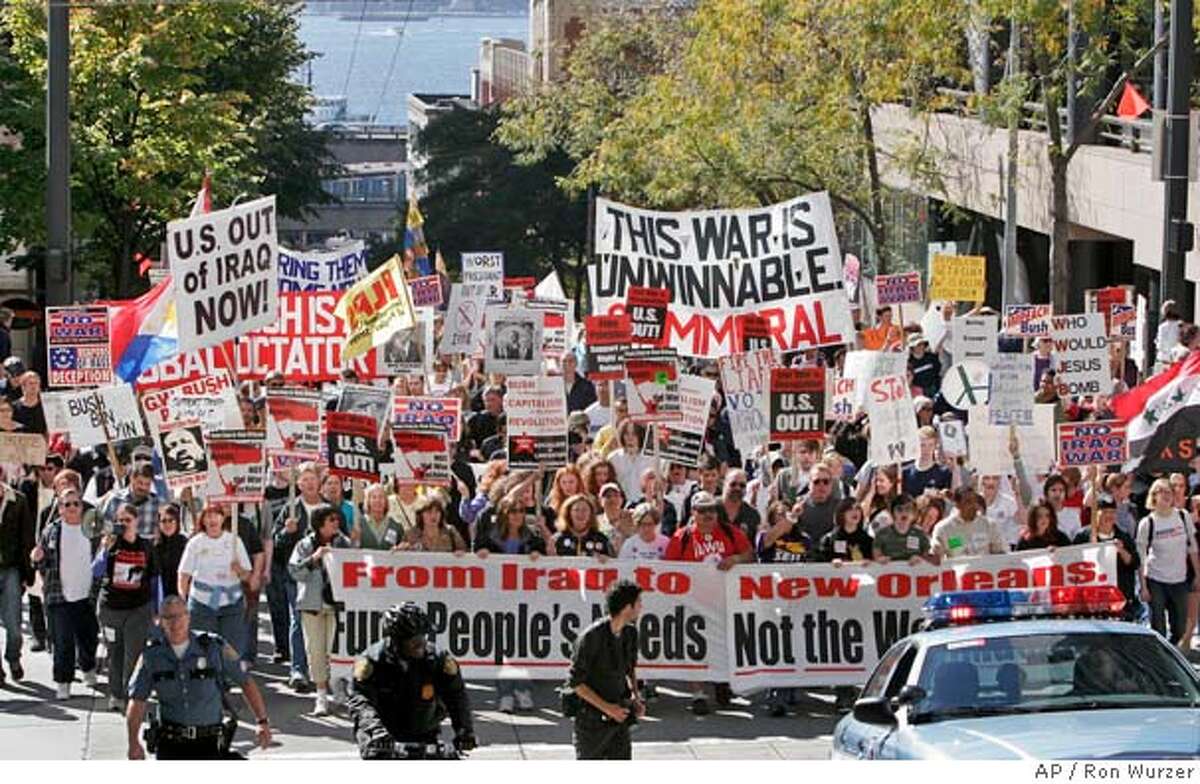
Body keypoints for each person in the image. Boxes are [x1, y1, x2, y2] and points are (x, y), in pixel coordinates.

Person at [125, 595, 271, 760]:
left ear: (188, 617)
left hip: (209, 742)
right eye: (169, 618)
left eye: (179, 616)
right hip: (170, 743)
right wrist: (133, 742)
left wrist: (262, 721)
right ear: (160, 621)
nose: (175, 623)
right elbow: (137, 700)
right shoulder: (152, 656)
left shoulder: (213, 647)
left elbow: (245, 680)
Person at [347, 602, 475, 759]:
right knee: (378, 755)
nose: (420, 642)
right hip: (382, 732)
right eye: (413, 639)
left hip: (423, 728)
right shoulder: (371, 662)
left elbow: (456, 695)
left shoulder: (439, 660)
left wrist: (464, 730)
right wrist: (375, 729)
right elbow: (360, 700)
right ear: (396, 640)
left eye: (423, 635)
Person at [663, 491, 750, 715]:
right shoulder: (682, 537)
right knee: (695, 647)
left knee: (724, 643)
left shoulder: (730, 533)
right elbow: (667, 569)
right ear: (693, 513)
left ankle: (723, 684)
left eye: (711, 510)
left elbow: (750, 554)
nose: (708, 515)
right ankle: (699, 693)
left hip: (725, 600)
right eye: (702, 511)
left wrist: (736, 559)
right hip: (693, 601)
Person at [32, 487, 100, 699]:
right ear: (59, 508)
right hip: (59, 595)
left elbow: (103, 555)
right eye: (66, 504)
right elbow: (41, 565)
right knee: (63, 641)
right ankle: (63, 681)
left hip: (87, 595)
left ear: (82, 506)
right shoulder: (51, 531)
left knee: (88, 637)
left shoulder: (92, 528)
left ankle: (88, 667)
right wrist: (37, 558)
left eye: (76, 504)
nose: (71, 508)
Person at [94, 502, 160, 712]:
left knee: (134, 653)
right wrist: (105, 549)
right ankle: (116, 694)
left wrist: (157, 609)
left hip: (138, 608)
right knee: (116, 653)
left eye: (127, 521)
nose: (123, 525)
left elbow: (154, 580)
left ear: (136, 522)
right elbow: (95, 572)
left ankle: (133, 695)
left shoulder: (146, 546)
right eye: (119, 521)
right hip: (111, 608)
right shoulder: (111, 544)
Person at [567, 579, 644, 760]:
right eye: (639, 602)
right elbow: (576, 683)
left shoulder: (630, 634)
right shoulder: (591, 638)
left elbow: (630, 669)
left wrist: (635, 697)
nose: (641, 607)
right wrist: (608, 709)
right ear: (627, 607)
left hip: (619, 716)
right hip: (591, 721)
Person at [288, 505, 353, 716]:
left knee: (335, 650)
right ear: (320, 523)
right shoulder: (304, 545)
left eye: (337, 519)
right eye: (331, 519)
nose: (336, 523)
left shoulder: (344, 543)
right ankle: (321, 695)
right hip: (312, 605)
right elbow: (295, 572)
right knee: (315, 651)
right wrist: (314, 558)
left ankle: (339, 689)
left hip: (336, 605)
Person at [273, 462, 325, 692]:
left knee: (324, 621)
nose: (309, 483)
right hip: (297, 575)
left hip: (324, 577)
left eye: (312, 478)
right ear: (298, 484)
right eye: (304, 479)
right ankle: (298, 669)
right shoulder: (291, 509)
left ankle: (322, 670)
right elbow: (276, 542)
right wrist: (287, 532)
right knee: (298, 620)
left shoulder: (328, 508)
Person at [178, 504, 252, 660]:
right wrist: (182, 601)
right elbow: (184, 574)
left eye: (216, 515)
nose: (212, 519)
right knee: (203, 649)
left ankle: (226, 680)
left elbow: (247, 576)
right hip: (202, 603)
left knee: (231, 650)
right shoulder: (196, 542)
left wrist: (240, 570)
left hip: (231, 603)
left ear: (223, 518)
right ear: (203, 519)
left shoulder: (234, 541)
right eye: (208, 515)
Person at [1136, 478, 1200, 646]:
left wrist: (1198, 574)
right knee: (1158, 627)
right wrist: (1143, 587)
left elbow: (1192, 547)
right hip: (1156, 578)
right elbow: (1141, 557)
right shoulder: (1147, 523)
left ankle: (1170, 651)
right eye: (1161, 492)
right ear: (1153, 496)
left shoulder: (1182, 516)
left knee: (1180, 628)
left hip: (1179, 580)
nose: (1165, 496)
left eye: (1169, 492)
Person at [1075, 497, 1140, 619]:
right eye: (1104, 512)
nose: (1109, 516)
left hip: (1120, 598)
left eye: (1112, 512)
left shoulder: (1123, 536)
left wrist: (1122, 551)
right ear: (1095, 514)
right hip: (1092, 600)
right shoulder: (1083, 537)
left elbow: (1135, 563)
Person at [0, 472, 33, 684]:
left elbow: (26, 538)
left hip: (11, 569)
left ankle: (13, 657)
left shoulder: (18, 500)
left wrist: (27, 575)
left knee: (14, 624)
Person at [931, 486, 1008, 559]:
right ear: (957, 505)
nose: (973, 505)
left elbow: (1000, 553)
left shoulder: (989, 525)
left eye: (975, 501)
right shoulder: (944, 529)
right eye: (968, 502)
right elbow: (935, 557)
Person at [99, 462, 161, 540]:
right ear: (132, 478)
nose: (143, 487)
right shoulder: (115, 500)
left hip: (146, 549)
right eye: (140, 483)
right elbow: (102, 527)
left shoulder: (155, 503)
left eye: (147, 484)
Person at [872, 498, 934, 566]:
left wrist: (921, 559)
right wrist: (879, 560)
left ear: (914, 514)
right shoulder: (881, 535)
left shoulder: (921, 535)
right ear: (892, 513)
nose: (904, 513)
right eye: (899, 509)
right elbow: (876, 558)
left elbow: (930, 559)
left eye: (908, 509)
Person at [400, 494, 466, 552]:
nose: (433, 516)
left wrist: (460, 553)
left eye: (437, 511)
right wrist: (401, 549)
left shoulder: (450, 532)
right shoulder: (410, 534)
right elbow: (400, 557)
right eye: (429, 512)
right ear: (421, 515)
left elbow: (464, 551)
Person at [817, 498, 873, 565]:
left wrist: (870, 562)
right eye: (850, 509)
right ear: (841, 513)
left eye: (858, 509)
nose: (855, 512)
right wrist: (831, 562)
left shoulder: (867, 540)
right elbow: (820, 563)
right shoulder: (828, 539)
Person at [358, 483, 406, 551]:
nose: (378, 501)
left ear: (386, 501)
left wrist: (402, 547)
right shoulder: (359, 524)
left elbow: (404, 546)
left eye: (381, 497)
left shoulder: (396, 526)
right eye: (374, 497)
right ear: (368, 501)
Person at [156, 503, 187, 599]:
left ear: (177, 522)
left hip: (180, 595)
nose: (167, 524)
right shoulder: (154, 546)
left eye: (171, 520)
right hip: (160, 597)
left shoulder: (185, 543)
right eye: (163, 521)